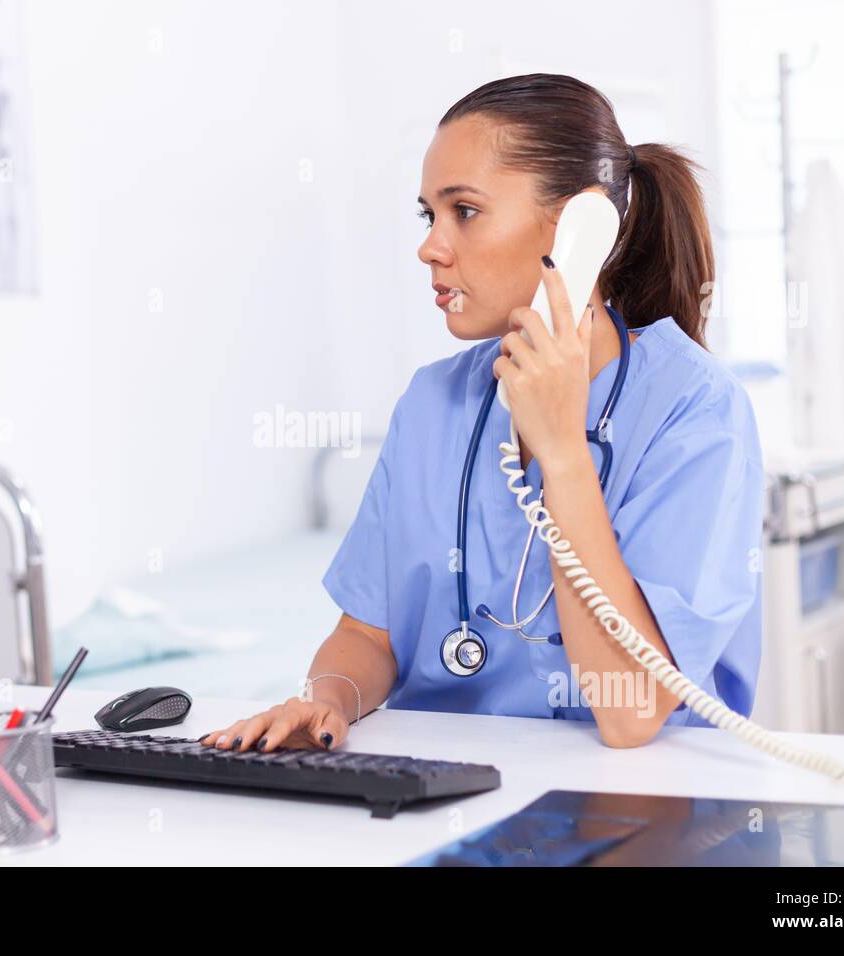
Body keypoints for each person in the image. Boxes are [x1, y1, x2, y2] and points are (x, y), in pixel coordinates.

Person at [198, 73, 764, 754]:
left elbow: (631, 711)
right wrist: (326, 702)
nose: (431, 246)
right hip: (448, 786)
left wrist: (561, 450)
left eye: (463, 210)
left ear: (577, 227)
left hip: (644, 802)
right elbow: (366, 635)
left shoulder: (696, 410)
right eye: (427, 215)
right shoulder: (432, 404)